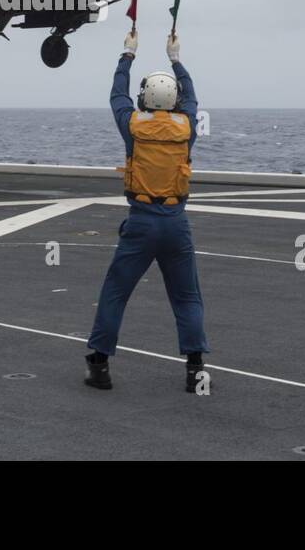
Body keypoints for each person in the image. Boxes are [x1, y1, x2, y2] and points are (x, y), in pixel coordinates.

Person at [84, 28, 210, 392]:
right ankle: (195, 370)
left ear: (146, 98)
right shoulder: (186, 128)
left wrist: (127, 53)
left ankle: (100, 365)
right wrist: (177, 59)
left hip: (141, 222)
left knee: (115, 293)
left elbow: (117, 95)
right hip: (176, 223)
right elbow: (193, 100)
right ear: (173, 99)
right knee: (187, 297)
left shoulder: (132, 126)